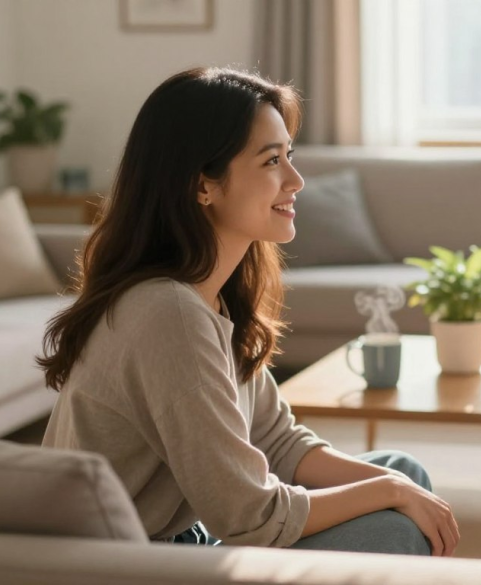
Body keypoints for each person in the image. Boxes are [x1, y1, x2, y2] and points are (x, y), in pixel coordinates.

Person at [38, 67, 459, 555]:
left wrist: (395, 486)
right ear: (204, 185)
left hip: (189, 539)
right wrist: (389, 494)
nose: (296, 180)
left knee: (403, 472)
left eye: (289, 156)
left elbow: (276, 440)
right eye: (271, 161)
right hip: (133, 564)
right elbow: (249, 515)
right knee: (396, 522)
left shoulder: (208, 297)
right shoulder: (168, 315)